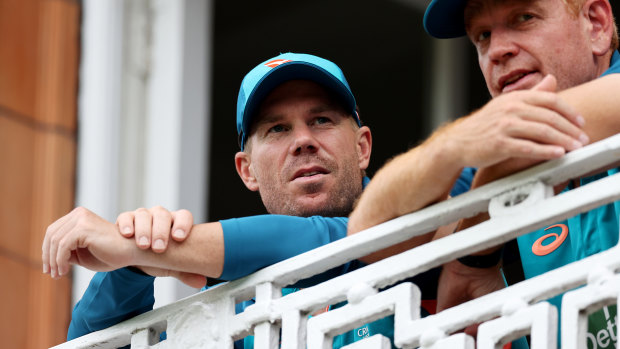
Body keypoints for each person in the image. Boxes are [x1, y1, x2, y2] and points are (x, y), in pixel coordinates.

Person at [43, 53, 479, 348]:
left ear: (363, 147)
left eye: (321, 120)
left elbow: (335, 242)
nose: (304, 141)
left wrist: (156, 250)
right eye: (277, 129)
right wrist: (133, 265)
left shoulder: (432, 202)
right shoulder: (229, 303)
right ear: (247, 170)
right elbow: (93, 341)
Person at [347, 0, 620, 345]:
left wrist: (475, 250)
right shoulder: (492, 163)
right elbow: (367, 233)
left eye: (524, 18)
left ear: (595, 25)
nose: (498, 51)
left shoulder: (496, 169)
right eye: (483, 36)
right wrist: (452, 144)